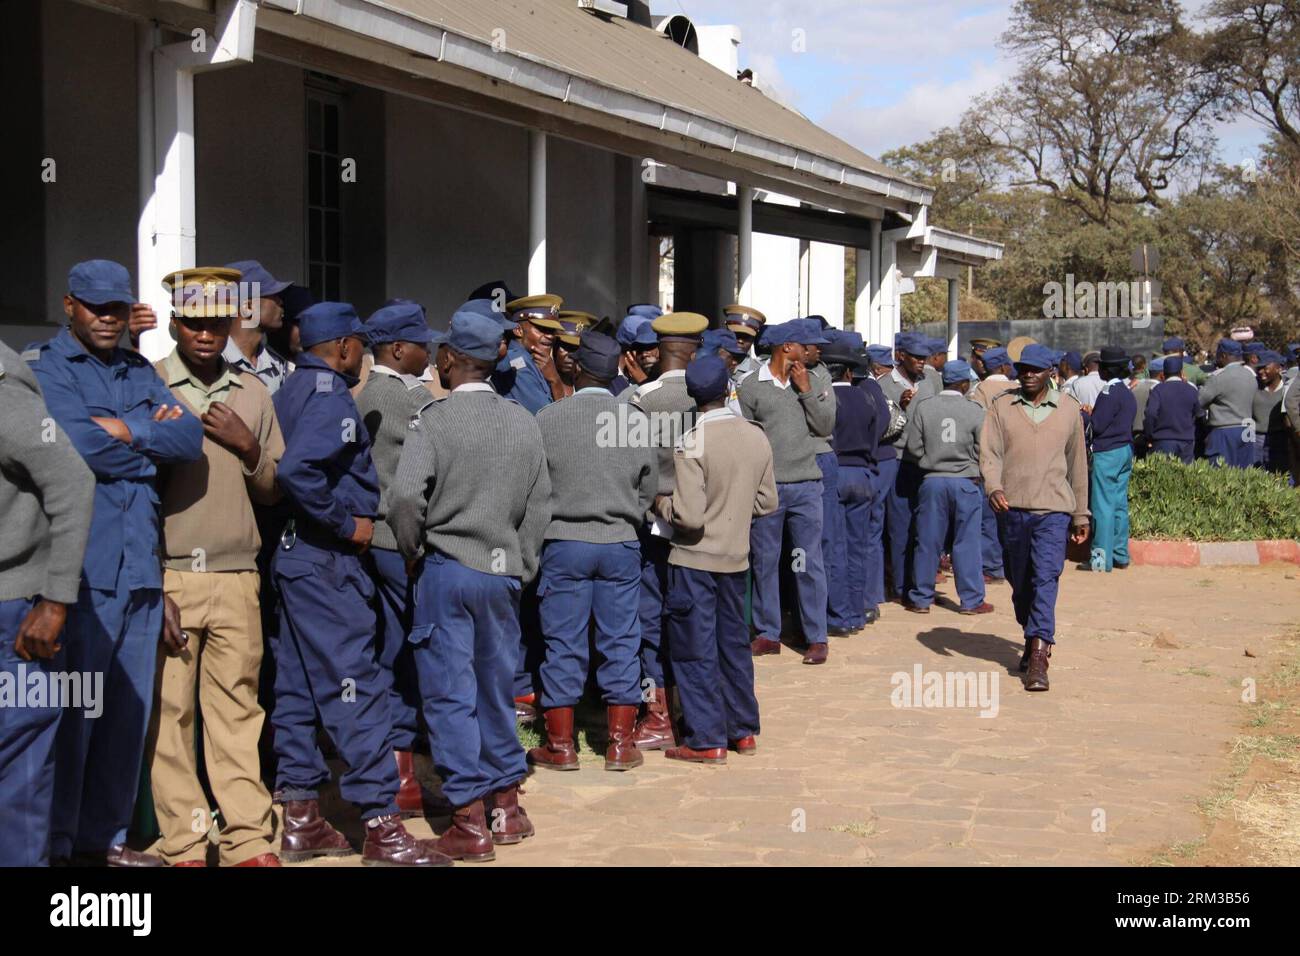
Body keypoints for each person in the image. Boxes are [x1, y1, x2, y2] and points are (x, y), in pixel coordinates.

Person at [27, 259, 204, 866]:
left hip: (140, 573)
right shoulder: (46, 369)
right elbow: (75, 449)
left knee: (128, 715)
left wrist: (127, 434)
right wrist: (145, 439)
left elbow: (189, 439)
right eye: (95, 307)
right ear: (69, 306)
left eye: (116, 308)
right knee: (75, 715)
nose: (108, 318)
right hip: (80, 574)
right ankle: (61, 846)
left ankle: (105, 841)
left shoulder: (136, 369)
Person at [271, 301, 447, 867]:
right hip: (326, 561)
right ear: (344, 347)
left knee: (297, 689)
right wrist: (347, 523)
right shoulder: (328, 397)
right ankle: (381, 824)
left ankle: (301, 818)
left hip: (295, 557)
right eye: (357, 348)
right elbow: (299, 470)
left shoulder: (289, 389)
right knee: (356, 686)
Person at [389, 308, 551, 862]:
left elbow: (406, 498)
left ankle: (468, 816)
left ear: (450, 359)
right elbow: (538, 506)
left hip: (447, 569)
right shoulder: (523, 420)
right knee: (495, 688)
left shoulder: (431, 421)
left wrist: (413, 552)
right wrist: (523, 564)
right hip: (503, 571)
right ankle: (506, 803)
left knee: (449, 695)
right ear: (498, 358)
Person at [146, 267, 284, 867]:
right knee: (171, 718)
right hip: (170, 575)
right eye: (192, 322)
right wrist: (152, 585)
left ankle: (248, 841)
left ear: (231, 323)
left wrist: (248, 447)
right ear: (176, 322)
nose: (204, 333)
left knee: (237, 712)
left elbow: (276, 487)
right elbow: (131, 496)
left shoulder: (253, 392)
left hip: (236, 578)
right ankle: (183, 841)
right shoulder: (148, 387)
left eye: (215, 322)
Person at [528, 332, 655, 773]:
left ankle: (561, 746)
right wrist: (626, 516)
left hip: (565, 541)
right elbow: (648, 485)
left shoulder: (548, 418)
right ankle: (619, 744)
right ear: (616, 369)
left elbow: (535, 486)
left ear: (578, 369)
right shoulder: (634, 419)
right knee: (621, 639)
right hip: (619, 540)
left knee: (563, 641)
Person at [653, 355, 778, 763]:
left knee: (694, 649)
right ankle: (742, 730)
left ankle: (706, 738)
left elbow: (688, 516)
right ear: (728, 390)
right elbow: (767, 501)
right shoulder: (756, 436)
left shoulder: (691, 443)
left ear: (692, 396)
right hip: (736, 560)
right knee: (733, 647)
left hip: (694, 561)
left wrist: (660, 504)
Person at [0, 340, 94, 867]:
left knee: (19, 775)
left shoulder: (4, 395)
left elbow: (72, 479)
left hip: (15, 614)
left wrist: (57, 599)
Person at [356, 301, 445, 818]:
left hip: (383, 541)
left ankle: (399, 774)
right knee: (408, 659)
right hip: (401, 543)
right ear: (396, 349)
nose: (430, 352)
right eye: (420, 344)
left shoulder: (374, 393)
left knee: (391, 653)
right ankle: (404, 777)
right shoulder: (402, 399)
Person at [980, 344, 1090, 693]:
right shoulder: (1002, 407)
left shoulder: (1070, 410)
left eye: (1035, 370)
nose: (1027, 374)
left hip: (1053, 512)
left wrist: (1080, 514)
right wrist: (994, 486)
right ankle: (1031, 636)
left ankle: (1040, 655)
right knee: (1020, 582)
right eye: (1023, 368)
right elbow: (990, 453)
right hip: (1011, 509)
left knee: (1046, 578)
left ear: (1051, 374)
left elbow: (1078, 467)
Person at [627, 311, 706, 747]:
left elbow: (627, 466)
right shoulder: (714, 398)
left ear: (660, 352)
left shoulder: (641, 399)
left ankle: (656, 714)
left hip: (652, 524)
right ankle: (690, 708)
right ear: (694, 353)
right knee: (694, 620)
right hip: (701, 527)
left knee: (649, 620)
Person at [739, 321, 837, 665]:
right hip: (767, 488)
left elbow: (825, 427)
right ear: (787, 347)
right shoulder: (750, 386)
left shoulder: (818, 380)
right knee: (764, 562)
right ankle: (768, 633)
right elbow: (745, 437)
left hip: (807, 486)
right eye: (807, 346)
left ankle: (816, 637)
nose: (814, 351)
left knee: (808, 563)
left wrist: (806, 389)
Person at [903, 360, 992, 615]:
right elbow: (982, 447)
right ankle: (971, 600)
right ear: (964, 384)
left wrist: (929, 459)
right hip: (965, 481)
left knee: (927, 540)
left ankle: (921, 597)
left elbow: (913, 447)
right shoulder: (975, 409)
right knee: (967, 541)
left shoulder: (925, 407)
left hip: (932, 481)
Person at [876, 332, 940, 600]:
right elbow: (880, 428)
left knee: (926, 529)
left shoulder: (932, 381)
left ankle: (923, 584)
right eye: (916, 357)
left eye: (924, 358)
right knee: (900, 528)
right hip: (898, 462)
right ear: (900, 355)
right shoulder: (883, 385)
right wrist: (899, 409)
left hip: (927, 465)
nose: (921, 363)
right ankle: (902, 587)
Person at [823, 343, 879, 633]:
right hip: (863, 473)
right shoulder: (866, 397)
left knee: (835, 547)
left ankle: (839, 615)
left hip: (836, 473)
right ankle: (857, 613)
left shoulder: (827, 398)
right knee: (858, 547)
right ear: (848, 371)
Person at [1085, 347, 1138, 572]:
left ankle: (1099, 560)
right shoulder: (1126, 392)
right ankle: (1120, 555)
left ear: (1106, 369)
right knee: (1118, 505)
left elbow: (1097, 425)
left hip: (1107, 452)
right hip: (1124, 450)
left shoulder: (1108, 393)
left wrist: (1087, 415)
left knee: (1101, 507)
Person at [859, 344, 898, 619]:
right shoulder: (872, 387)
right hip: (882, 458)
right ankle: (872, 594)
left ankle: (867, 596)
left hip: (869, 461)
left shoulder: (862, 387)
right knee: (872, 528)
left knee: (865, 530)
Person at [221, 260, 296, 395]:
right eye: (272, 295)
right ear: (248, 306)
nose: (280, 302)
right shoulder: (216, 360)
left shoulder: (278, 365)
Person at [491, 294, 565, 414]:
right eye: (542, 328)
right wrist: (555, 380)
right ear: (518, 330)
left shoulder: (533, 359)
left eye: (552, 331)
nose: (550, 336)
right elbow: (549, 419)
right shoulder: (517, 364)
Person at [1199, 338, 1258, 468]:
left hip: (1224, 432)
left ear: (1224, 355)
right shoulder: (1251, 376)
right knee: (1244, 476)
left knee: (1220, 477)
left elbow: (1200, 401)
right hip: (1247, 430)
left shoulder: (1219, 377)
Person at [1143, 356, 1199, 463]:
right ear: (1181, 372)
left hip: (1162, 441)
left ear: (1163, 373)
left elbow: (1150, 413)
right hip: (1186, 442)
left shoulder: (1158, 390)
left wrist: (1149, 435)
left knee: (1163, 477)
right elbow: (1199, 414)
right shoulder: (1191, 390)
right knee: (1185, 477)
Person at [1252, 350, 1289, 474]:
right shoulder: (1254, 386)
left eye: (1265, 367)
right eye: (1259, 368)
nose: (1261, 371)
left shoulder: (1288, 388)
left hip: (1280, 439)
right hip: (1256, 439)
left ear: (1278, 368)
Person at [611, 313, 659, 396]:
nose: (644, 354)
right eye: (639, 349)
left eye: (650, 346)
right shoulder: (626, 388)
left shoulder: (671, 382)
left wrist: (643, 381)